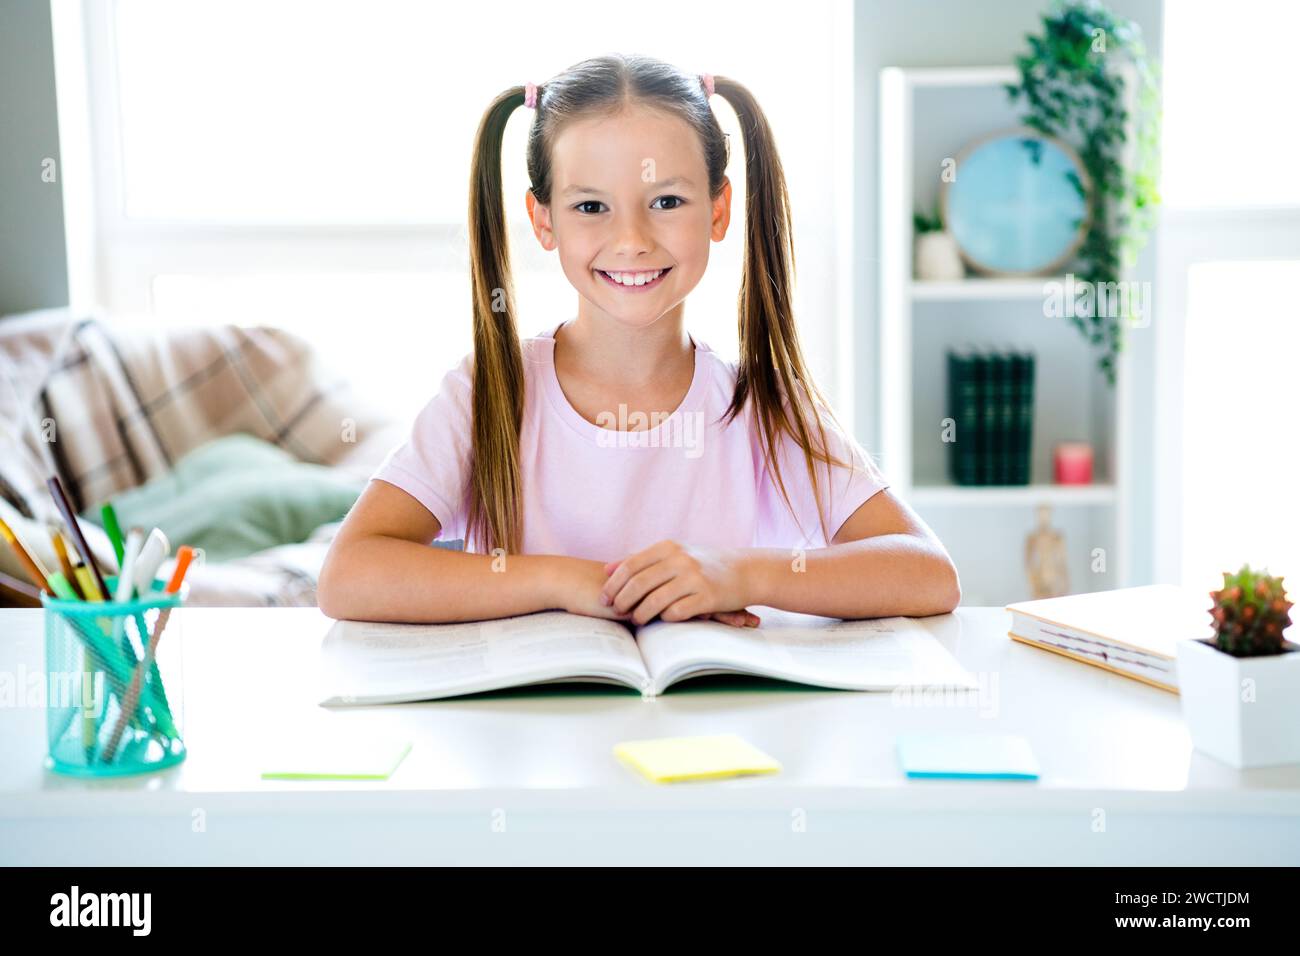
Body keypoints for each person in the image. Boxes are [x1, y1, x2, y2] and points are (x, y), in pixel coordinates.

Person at [317, 54, 960, 626]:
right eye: (591, 207)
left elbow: (927, 572)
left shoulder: (763, 402)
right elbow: (349, 575)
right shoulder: (489, 392)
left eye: (667, 201)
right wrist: (567, 580)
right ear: (544, 221)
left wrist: (737, 574)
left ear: (718, 210)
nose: (631, 240)